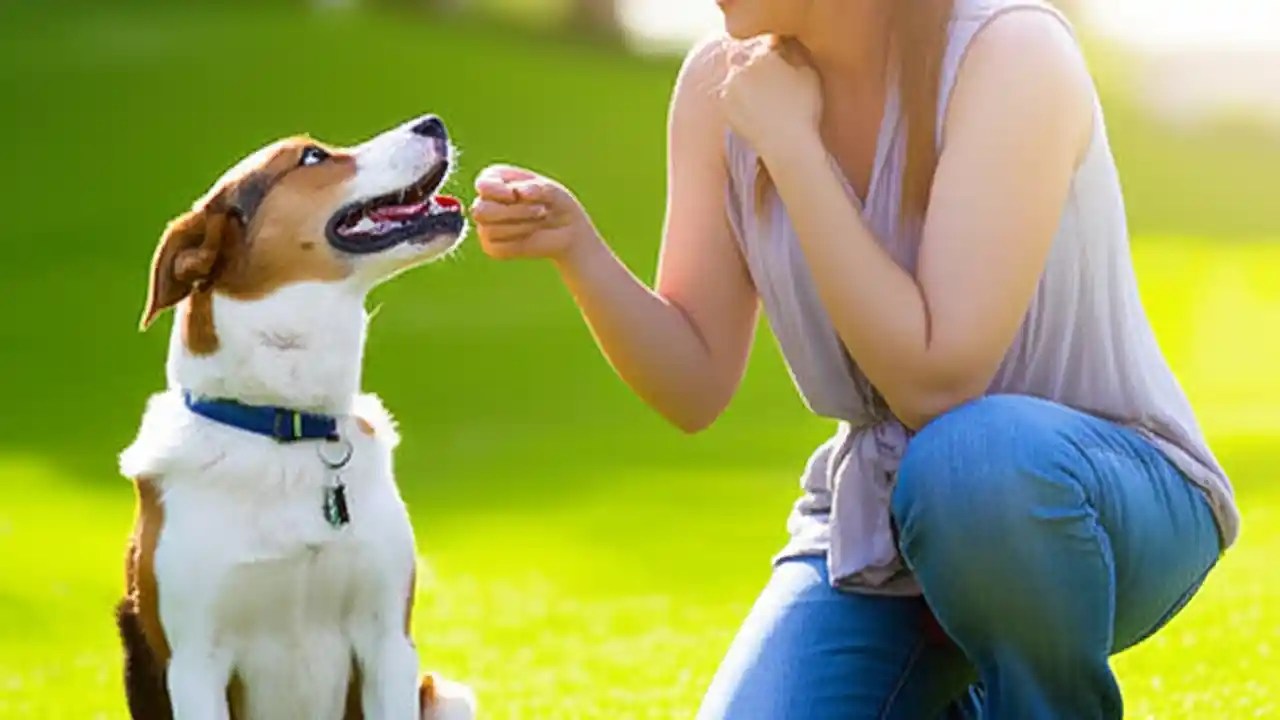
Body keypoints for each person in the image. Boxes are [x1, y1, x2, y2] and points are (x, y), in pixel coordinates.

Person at [468, 1, 1240, 717]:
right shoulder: (722, 84)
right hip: (878, 527)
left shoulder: (1011, 53)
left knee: (971, 460)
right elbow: (694, 383)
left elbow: (937, 384)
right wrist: (579, 252)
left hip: (1096, 498)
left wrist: (792, 146)